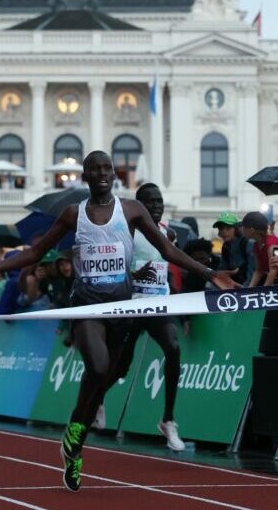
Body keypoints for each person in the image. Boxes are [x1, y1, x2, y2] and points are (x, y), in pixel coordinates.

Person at [0, 151, 235, 492]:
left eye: (108, 168)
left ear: (114, 175)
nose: (103, 173)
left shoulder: (131, 211)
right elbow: (34, 253)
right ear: (86, 176)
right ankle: (78, 430)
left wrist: (210, 274)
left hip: (121, 309)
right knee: (99, 366)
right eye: (96, 169)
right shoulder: (73, 214)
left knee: (105, 374)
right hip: (87, 307)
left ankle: (75, 437)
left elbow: (167, 250)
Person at [106, 183, 187, 451]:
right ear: (138, 206)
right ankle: (96, 398)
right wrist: (133, 275)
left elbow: (170, 265)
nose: (156, 206)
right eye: (150, 202)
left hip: (158, 305)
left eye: (159, 201)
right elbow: (112, 271)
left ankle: (168, 420)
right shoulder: (127, 232)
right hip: (131, 305)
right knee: (121, 367)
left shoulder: (168, 233)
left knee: (173, 348)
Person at [213, 212, 254, 287]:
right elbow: (222, 268)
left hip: (249, 287)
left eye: (228, 228)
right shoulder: (225, 246)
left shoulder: (247, 243)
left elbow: (253, 270)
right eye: (221, 228)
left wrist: (245, 289)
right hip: (234, 286)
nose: (224, 231)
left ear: (236, 229)